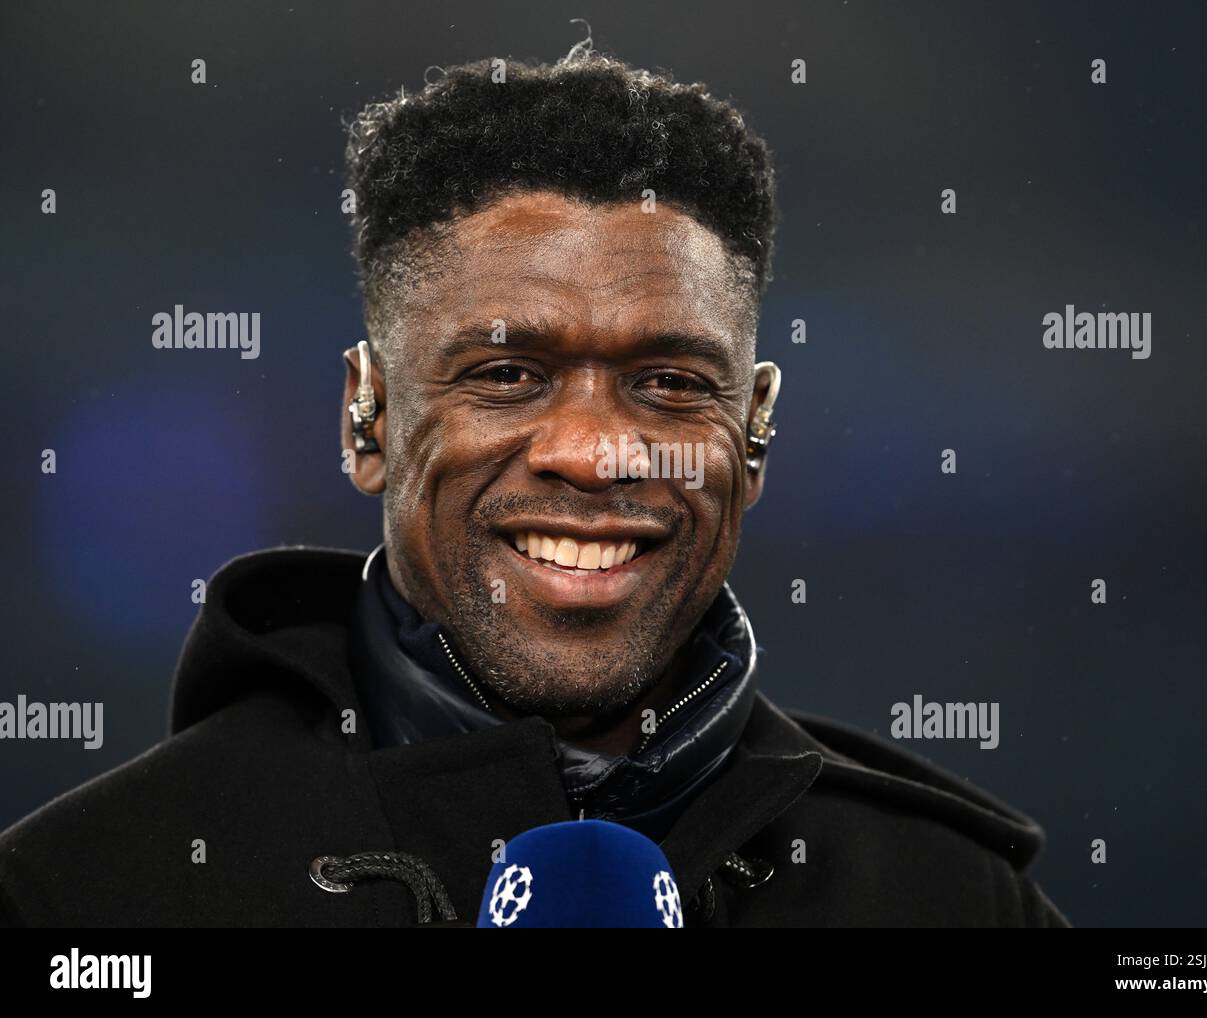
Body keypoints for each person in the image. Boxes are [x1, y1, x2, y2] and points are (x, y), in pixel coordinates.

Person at [0, 46, 1067, 927]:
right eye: (509, 375)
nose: (595, 451)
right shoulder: (87, 898)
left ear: (755, 431)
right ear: (367, 415)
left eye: (668, 383)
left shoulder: (952, 901)